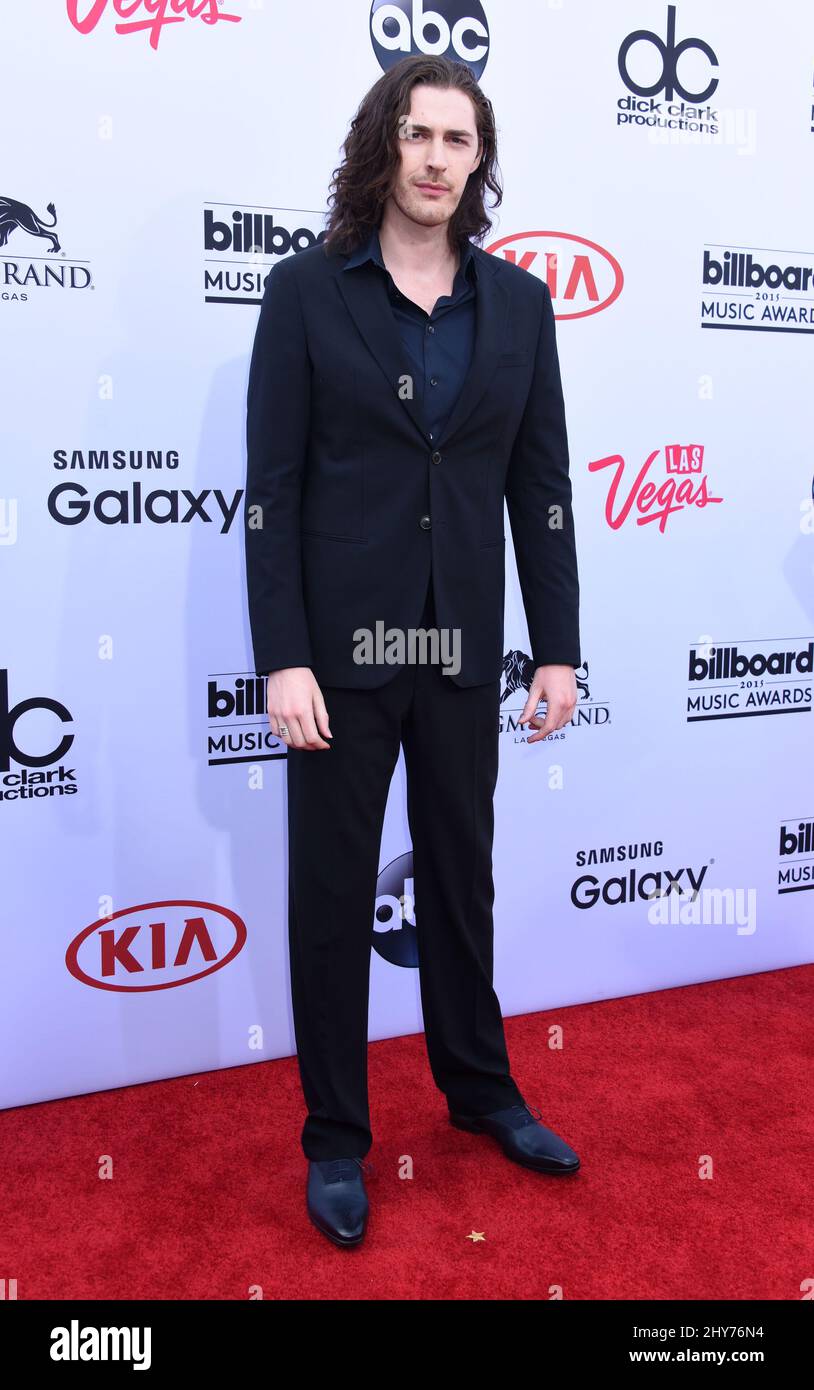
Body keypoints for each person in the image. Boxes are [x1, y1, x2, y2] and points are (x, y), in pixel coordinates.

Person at [244, 54, 581, 1249]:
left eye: (459, 138)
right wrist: (281, 656)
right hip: (336, 656)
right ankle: (336, 1136)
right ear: (384, 146)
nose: (437, 158)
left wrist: (558, 648)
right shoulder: (304, 295)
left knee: (460, 879)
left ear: (479, 161)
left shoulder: (520, 307)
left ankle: (480, 1089)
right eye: (418, 135)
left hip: (458, 647)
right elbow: (273, 492)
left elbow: (539, 486)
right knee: (333, 899)